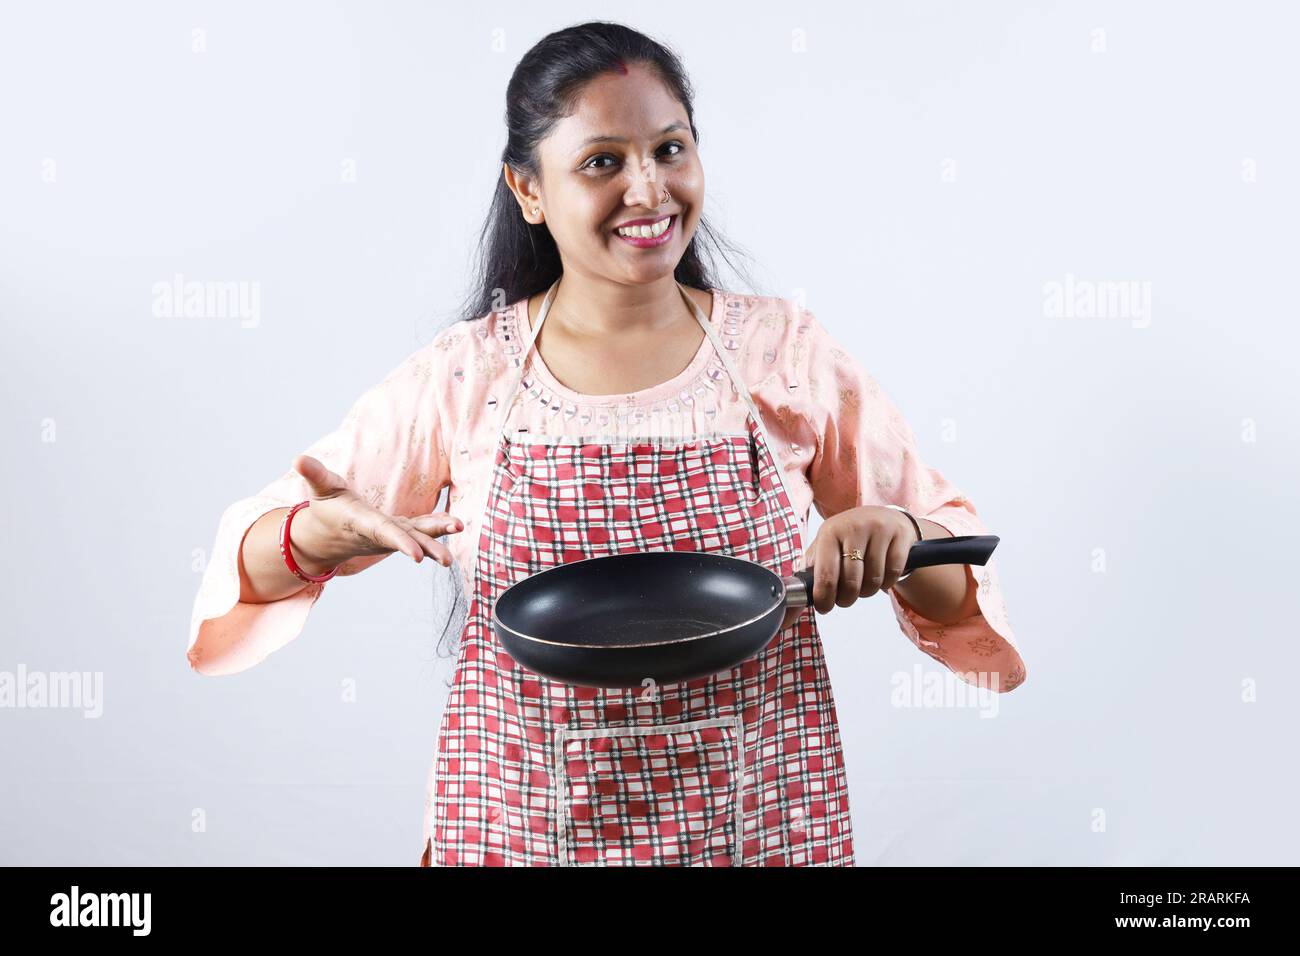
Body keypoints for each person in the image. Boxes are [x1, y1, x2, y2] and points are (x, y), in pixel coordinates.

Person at [187, 21, 1025, 867]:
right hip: (518, 832)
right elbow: (249, 560)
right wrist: (314, 538)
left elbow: (958, 588)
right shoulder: (468, 375)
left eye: (670, 149)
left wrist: (903, 539)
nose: (649, 189)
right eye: (602, 162)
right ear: (528, 189)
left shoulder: (786, 356)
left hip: (761, 827)